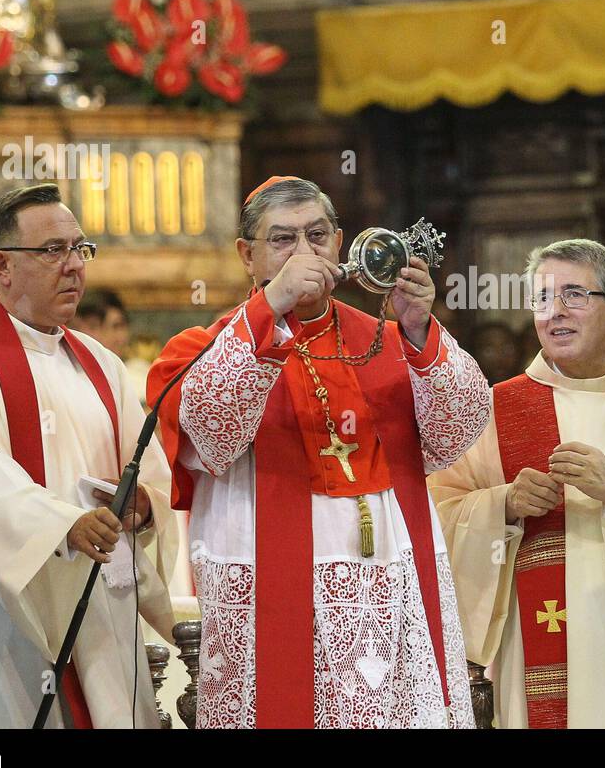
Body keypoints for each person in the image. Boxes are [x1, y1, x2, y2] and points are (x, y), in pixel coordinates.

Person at [149, 175, 490, 728]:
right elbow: (214, 434)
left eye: (317, 235)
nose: (304, 253)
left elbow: (456, 433)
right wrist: (273, 308)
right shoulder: (203, 348)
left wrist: (420, 326)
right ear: (247, 255)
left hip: (388, 588)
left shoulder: (385, 339)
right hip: (270, 591)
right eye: (283, 240)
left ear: (340, 243)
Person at [0, 184, 179, 728]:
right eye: (54, 251)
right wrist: (65, 525)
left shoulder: (101, 363)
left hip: (106, 608)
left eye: (81, 249)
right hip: (11, 614)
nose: (76, 266)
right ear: (1, 265)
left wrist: (142, 507)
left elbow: (148, 468)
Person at [430, 239, 605, 727]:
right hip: (535, 641)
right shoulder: (497, 407)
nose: (555, 312)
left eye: (574, 295)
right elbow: (438, 514)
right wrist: (504, 504)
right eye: (542, 299)